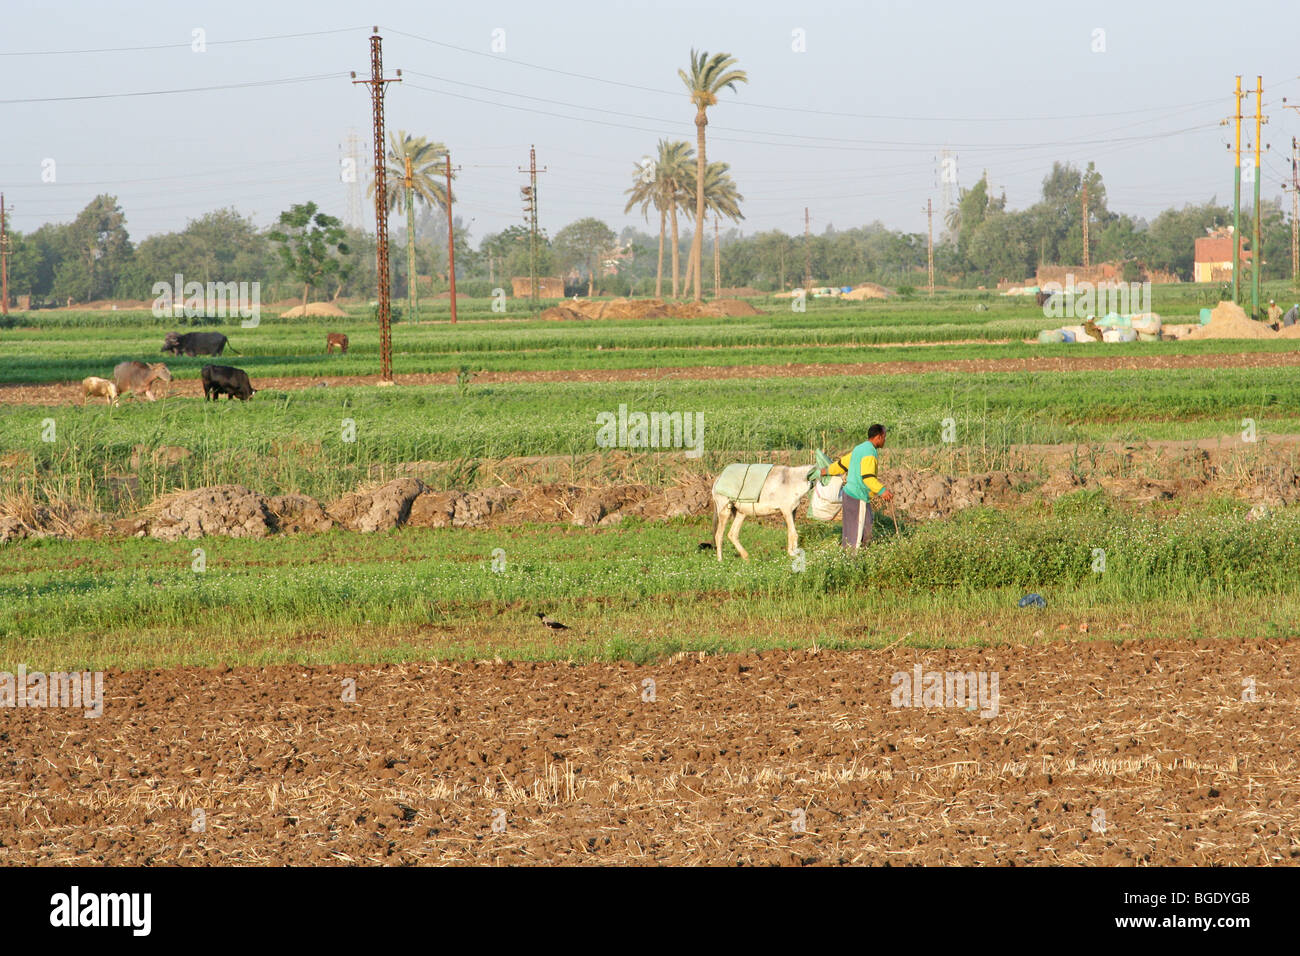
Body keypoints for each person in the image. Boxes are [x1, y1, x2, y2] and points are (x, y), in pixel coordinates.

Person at [821, 423, 893, 549]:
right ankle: (854, 562)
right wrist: (882, 491)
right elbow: (868, 477)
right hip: (857, 497)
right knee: (858, 532)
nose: (885, 440)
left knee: (858, 528)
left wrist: (827, 471)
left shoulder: (860, 448)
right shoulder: (870, 452)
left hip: (849, 494)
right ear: (879, 437)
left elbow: (842, 464)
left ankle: (854, 557)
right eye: (884, 436)